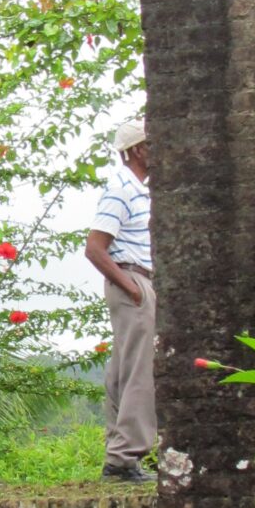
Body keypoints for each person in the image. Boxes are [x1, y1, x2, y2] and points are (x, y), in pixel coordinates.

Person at [85, 118, 155, 483]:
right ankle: (125, 456)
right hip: (132, 279)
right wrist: (132, 287)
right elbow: (94, 248)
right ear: (139, 149)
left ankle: (119, 452)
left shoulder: (139, 188)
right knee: (140, 370)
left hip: (136, 280)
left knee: (124, 368)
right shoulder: (122, 189)